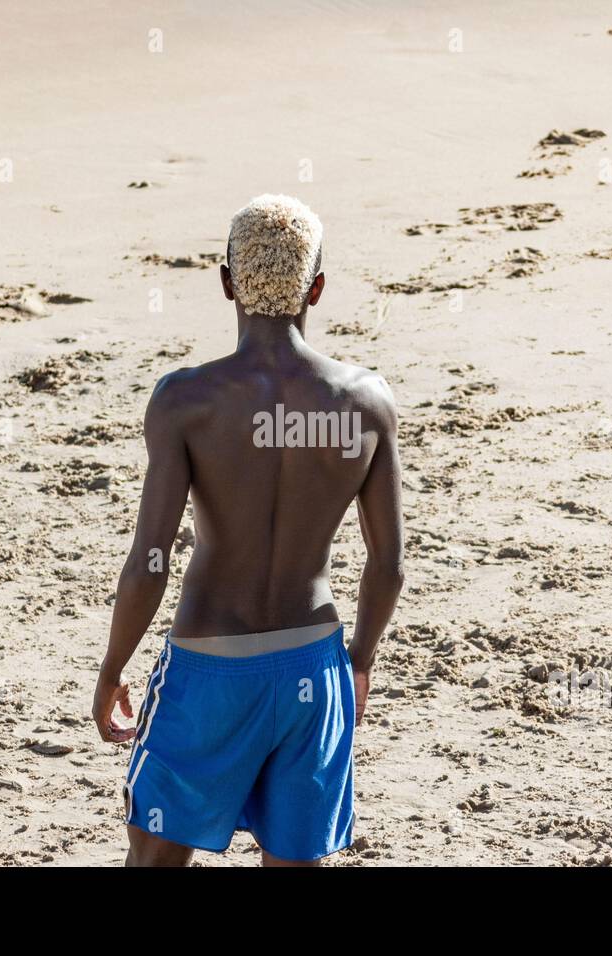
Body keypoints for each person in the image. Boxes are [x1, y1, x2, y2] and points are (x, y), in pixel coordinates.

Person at [92, 194, 404, 866]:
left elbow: (150, 561)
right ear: (317, 287)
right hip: (310, 665)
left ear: (226, 281)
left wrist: (113, 668)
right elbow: (389, 565)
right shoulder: (365, 401)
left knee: (154, 858)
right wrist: (360, 662)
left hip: (211, 667)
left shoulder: (186, 400)